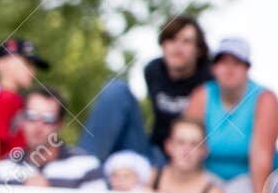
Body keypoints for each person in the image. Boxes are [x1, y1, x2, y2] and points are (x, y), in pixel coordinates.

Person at [81, 14, 212, 165]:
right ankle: (85, 168)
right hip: (153, 154)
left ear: (199, 50)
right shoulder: (153, 71)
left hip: (191, 160)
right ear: (162, 44)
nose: (178, 47)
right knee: (117, 90)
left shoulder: (210, 79)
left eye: (186, 41)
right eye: (171, 39)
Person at [182, 37, 278, 193]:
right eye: (223, 62)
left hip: (254, 179)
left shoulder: (265, 99)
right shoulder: (202, 95)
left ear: (247, 68)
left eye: (236, 63)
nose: (229, 69)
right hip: (211, 178)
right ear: (214, 68)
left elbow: (261, 158)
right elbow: (187, 147)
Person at [0, 37, 48, 176]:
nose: (32, 71)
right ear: (3, 63)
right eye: (27, 64)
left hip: (20, 166)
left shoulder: (16, 100)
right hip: (7, 170)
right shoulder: (4, 99)